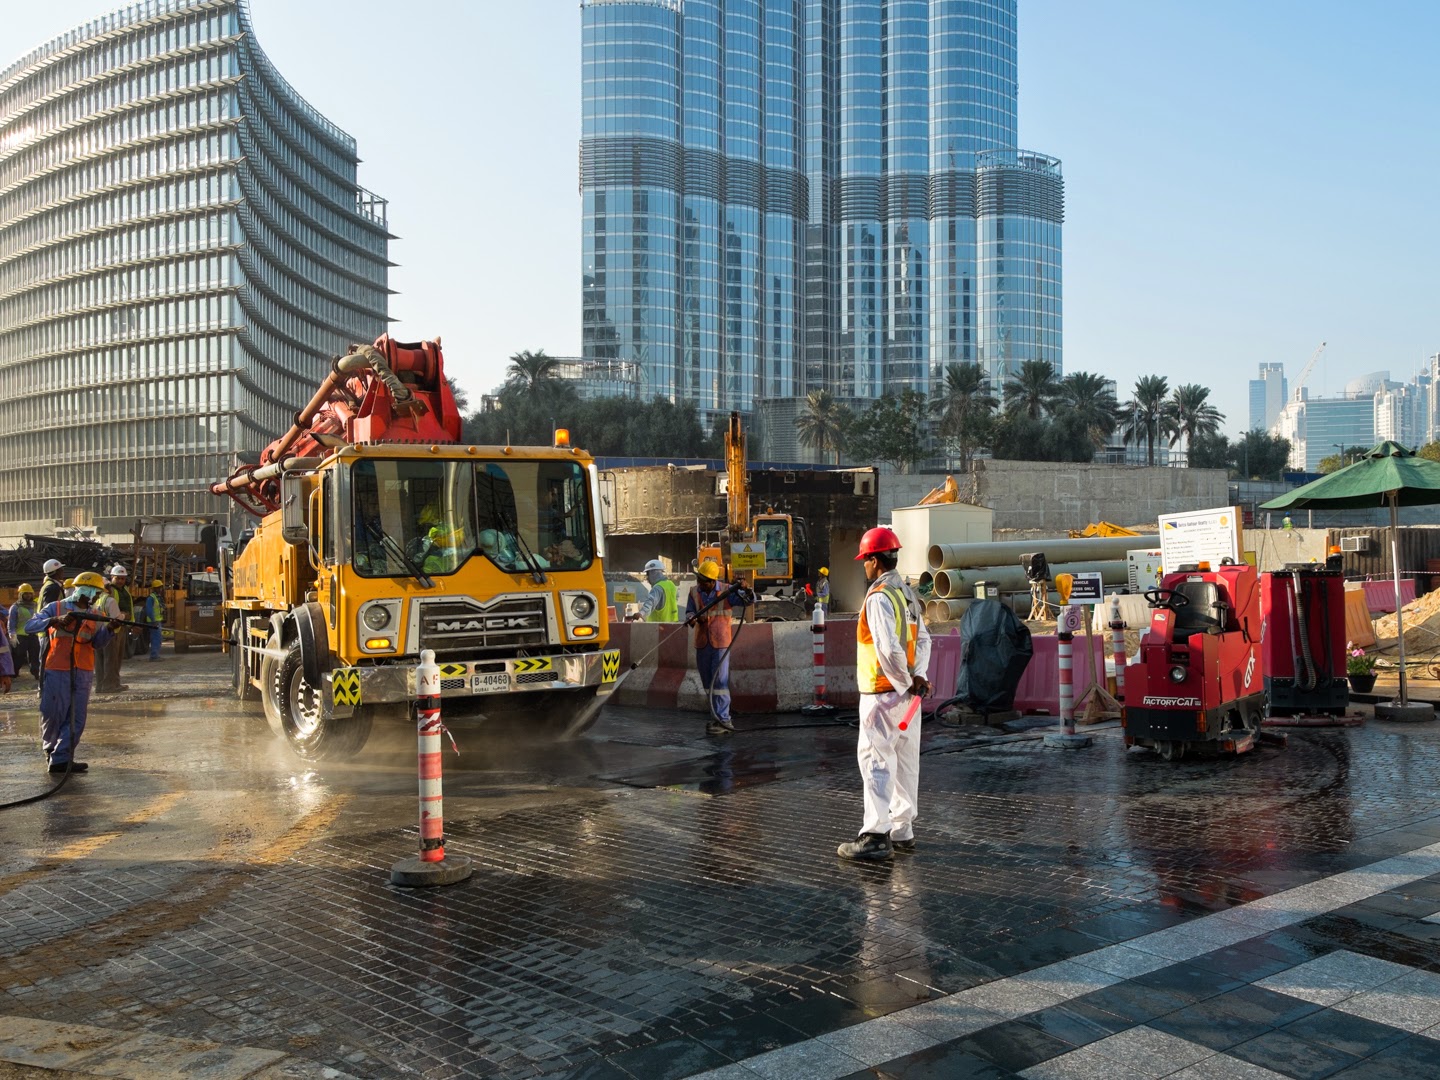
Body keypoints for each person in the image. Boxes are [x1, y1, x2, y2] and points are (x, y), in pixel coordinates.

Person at [837, 527, 932, 862]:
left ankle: (876, 835)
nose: (863, 565)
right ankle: (902, 831)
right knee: (905, 763)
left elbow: (887, 649)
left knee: (877, 761)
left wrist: (904, 681)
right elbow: (924, 641)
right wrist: (918, 677)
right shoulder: (907, 595)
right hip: (908, 699)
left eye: (865, 560)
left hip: (883, 694)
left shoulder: (878, 597)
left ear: (876, 560)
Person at [25, 570, 115, 773]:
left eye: (98, 593)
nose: (95, 596)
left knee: (77, 718)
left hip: (82, 670)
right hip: (57, 668)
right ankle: (51, 750)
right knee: (53, 712)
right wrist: (54, 620)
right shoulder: (55, 607)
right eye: (94, 591)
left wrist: (109, 630)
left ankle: (61, 757)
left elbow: (97, 643)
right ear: (83, 590)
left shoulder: (97, 615)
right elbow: (31, 625)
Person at [685, 559, 751, 736]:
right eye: (699, 579)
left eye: (703, 580)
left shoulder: (726, 591)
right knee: (708, 682)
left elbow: (748, 602)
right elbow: (689, 611)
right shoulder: (693, 592)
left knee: (720, 682)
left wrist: (746, 589)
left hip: (720, 642)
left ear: (712, 581)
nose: (699, 583)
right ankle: (715, 716)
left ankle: (723, 719)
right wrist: (693, 617)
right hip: (702, 642)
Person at [94, 565, 131, 693]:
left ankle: (101, 685)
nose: (120, 581)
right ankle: (111, 685)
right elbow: (116, 614)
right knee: (112, 658)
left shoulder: (122, 591)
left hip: (102, 629)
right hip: (114, 629)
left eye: (123, 578)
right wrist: (125, 616)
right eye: (118, 578)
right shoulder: (110, 597)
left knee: (102, 659)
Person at [8, 583, 41, 680]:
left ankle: (36, 672)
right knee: (19, 656)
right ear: (21, 595)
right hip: (20, 636)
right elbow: (12, 622)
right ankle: (14, 673)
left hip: (34, 634)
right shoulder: (15, 607)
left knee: (35, 655)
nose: (28, 596)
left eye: (30, 593)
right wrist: (12, 634)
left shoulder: (36, 605)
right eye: (25, 594)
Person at [141, 579, 166, 660]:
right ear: (154, 588)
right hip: (153, 622)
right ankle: (154, 656)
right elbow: (149, 610)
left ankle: (155, 655)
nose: (160, 589)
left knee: (158, 638)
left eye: (161, 587)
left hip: (157, 621)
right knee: (156, 638)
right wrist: (154, 620)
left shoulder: (157, 597)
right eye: (158, 587)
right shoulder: (151, 598)